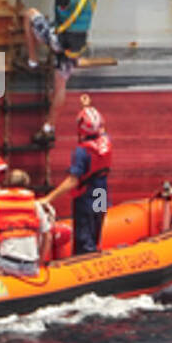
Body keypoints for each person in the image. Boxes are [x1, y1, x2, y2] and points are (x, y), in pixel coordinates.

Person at [20, 0, 97, 145]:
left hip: (59, 41)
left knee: (29, 14)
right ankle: (49, 126)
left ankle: (33, 59)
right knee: (60, 85)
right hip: (77, 47)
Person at [42, 95, 112, 255]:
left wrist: (49, 198)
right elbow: (98, 127)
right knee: (96, 229)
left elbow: (72, 181)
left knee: (83, 236)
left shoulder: (82, 152)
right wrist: (86, 106)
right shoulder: (106, 140)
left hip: (87, 195)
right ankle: (95, 251)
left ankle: (87, 257)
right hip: (102, 192)